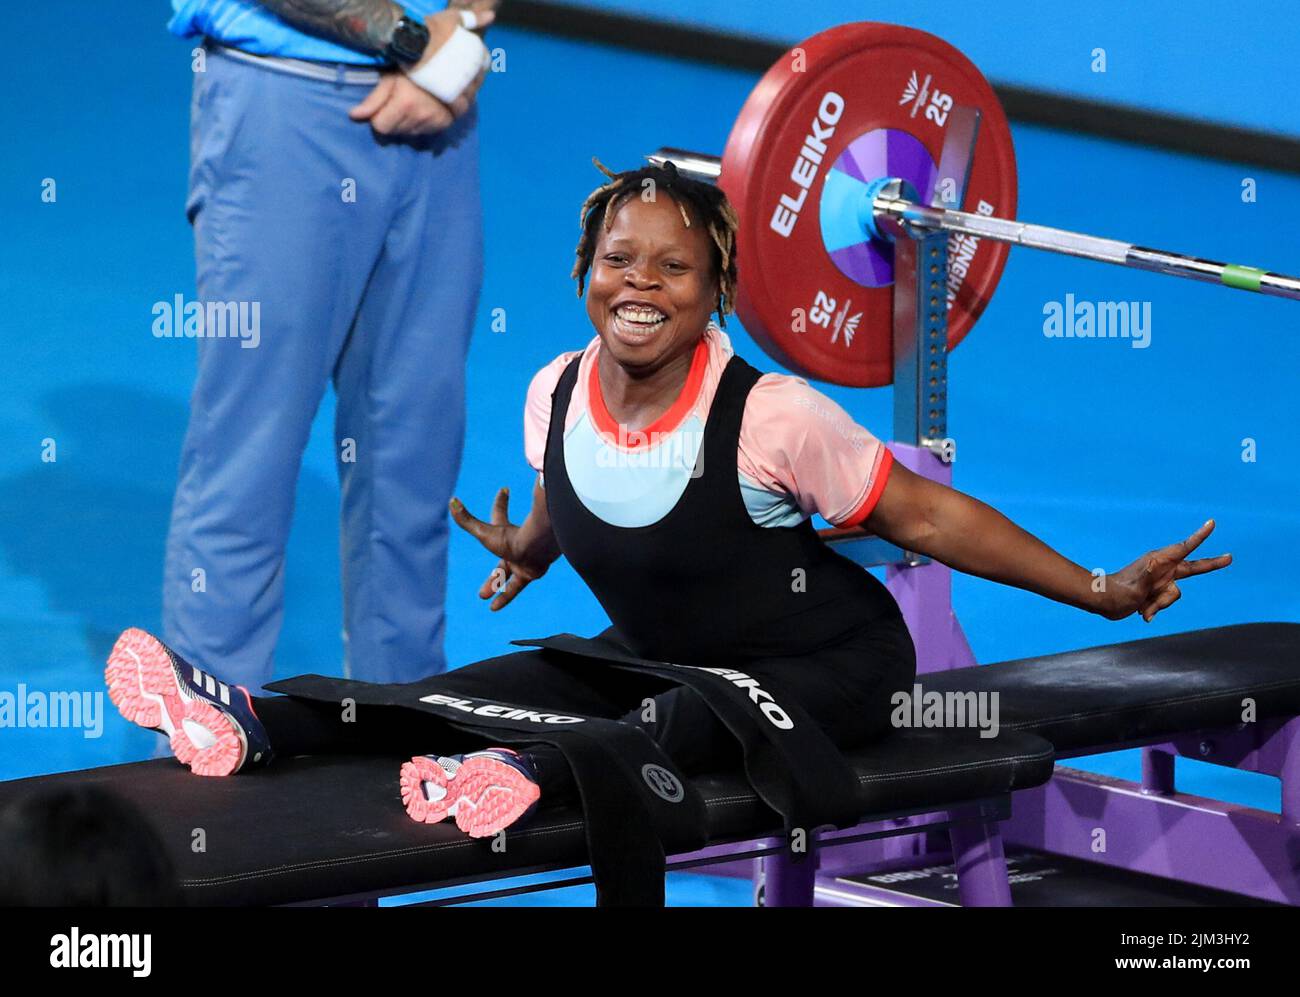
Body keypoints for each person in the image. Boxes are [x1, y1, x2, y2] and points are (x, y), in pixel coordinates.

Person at [110, 161, 1232, 846]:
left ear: (715, 292)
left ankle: (533, 774)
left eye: (674, 268)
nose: (640, 282)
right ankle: (259, 720)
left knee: (676, 725)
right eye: (619, 260)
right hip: (660, 655)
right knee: (457, 695)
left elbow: (926, 519)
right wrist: (530, 547)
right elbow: (578, 498)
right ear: (584, 273)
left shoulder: (774, 415)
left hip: (826, 665)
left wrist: (1096, 587)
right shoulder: (554, 392)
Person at [161, 0, 499, 694]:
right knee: (250, 456)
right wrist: (417, 42)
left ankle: (400, 724)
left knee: (412, 459)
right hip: (286, 105)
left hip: (440, 116)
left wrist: (463, 30)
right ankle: (211, 733)